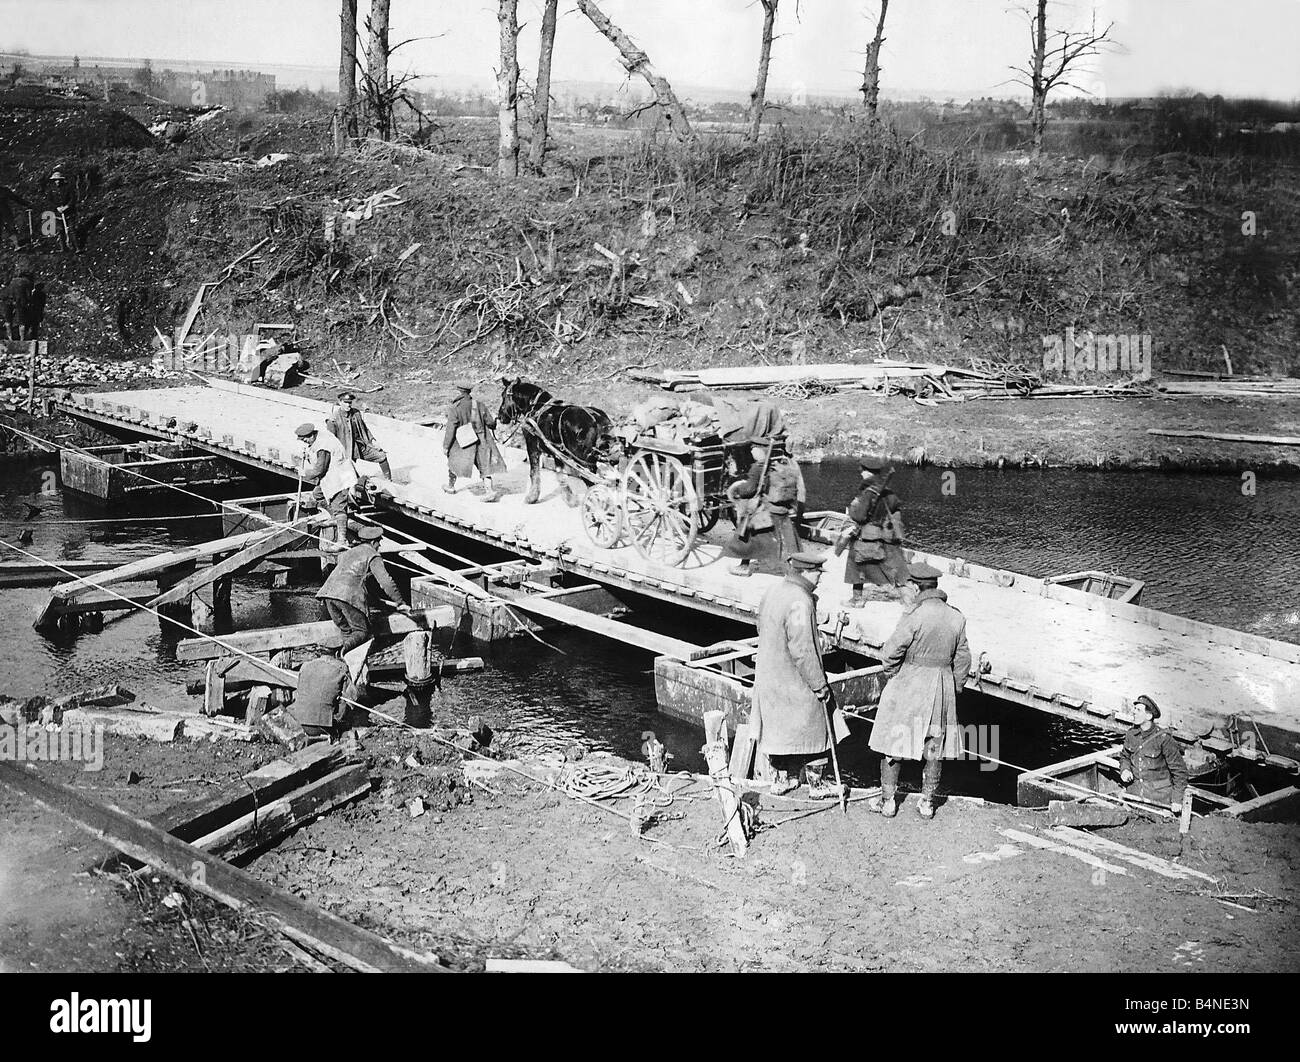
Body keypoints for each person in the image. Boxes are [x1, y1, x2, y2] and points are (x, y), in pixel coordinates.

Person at [868, 561, 972, 820]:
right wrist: (954, 687)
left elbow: (890, 653)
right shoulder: (956, 617)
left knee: (895, 741)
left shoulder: (913, 615)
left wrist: (895, 675)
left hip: (910, 683)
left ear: (916, 587)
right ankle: (927, 803)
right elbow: (963, 660)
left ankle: (888, 802)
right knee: (934, 747)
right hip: (942, 686)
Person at [752, 550, 842, 800]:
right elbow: (802, 649)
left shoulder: (774, 590)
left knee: (779, 728)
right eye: (816, 572)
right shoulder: (800, 601)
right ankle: (817, 784)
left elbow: (760, 625)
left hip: (770, 675)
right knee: (817, 723)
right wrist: (819, 685)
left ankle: (782, 779)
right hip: (793, 678)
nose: (820, 577)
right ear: (803, 572)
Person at [316, 524, 406, 654]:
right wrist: (400, 602)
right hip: (345, 596)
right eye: (379, 542)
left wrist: (379, 603)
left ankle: (342, 658)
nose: (379, 546)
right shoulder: (373, 555)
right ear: (374, 542)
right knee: (362, 632)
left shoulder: (349, 552)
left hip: (328, 595)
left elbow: (358, 583)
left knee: (347, 631)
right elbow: (386, 582)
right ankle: (340, 651)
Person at [835, 455, 907, 606]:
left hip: (866, 535)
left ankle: (857, 599)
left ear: (867, 472)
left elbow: (859, 516)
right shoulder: (888, 492)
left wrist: (853, 509)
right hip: (885, 536)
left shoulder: (868, 492)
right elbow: (896, 508)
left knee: (855, 565)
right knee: (894, 564)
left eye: (862, 471)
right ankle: (907, 597)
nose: (861, 474)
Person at [726, 439, 805, 577]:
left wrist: (737, 489)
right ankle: (796, 568)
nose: (751, 452)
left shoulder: (759, 466)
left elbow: (749, 490)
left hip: (765, 508)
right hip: (782, 508)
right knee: (790, 539)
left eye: (753, 449)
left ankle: (744, 566)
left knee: (746, 531)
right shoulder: (784, 462)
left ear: (760, 450)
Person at [1118, 695, 1189, 814]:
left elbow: (1180, 772)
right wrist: (1125, 770)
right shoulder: (1131, 734)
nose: (1133, 712)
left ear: (1149, 716)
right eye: (1134, 709)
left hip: (1159, 800)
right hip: (1134, 797)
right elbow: (1125, 757)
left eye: (1138, 710)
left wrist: (1177, 800)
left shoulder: (1164, 739)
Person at [295, 421, 357, 546]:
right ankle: (334, 517)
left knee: (339, 507)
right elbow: (316, 455)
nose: (305, 442)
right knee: (318, 494)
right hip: (331, 476)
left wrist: (305, 473)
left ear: (311, 435)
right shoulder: (319, 437)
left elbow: (320, 469)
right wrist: (307, 453)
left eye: (305, 440)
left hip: (339, 477)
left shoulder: (323, 446)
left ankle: (342, 540)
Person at [443, 380, 506, 501]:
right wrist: (494, 422)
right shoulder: (479, 405)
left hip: (463, 443)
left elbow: (450, 430)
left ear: (459, 391)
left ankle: (451, 487)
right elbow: (491, 423)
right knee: (484, 467)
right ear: (469, 391)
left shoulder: (454, 408)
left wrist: (446, 446)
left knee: (454, 461)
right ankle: (490, 491)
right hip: (480, 440)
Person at [326, 390, 392, 480]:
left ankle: (389, 481)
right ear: (340, 402)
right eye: (345, 402)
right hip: (346, 450)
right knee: (349, 476)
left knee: (381, 456)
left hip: (360, 446)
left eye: (350, 403)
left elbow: (364, 429)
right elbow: (331, 439)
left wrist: (373, 440)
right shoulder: (333, 419)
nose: (348, 405)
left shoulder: (356, 413)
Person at [290, 651, 356, 739]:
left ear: (318, 651)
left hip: (300, 723)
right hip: (324, 727)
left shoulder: (305, 666)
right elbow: (347, 702)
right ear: (337, 652)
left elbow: (299, 692)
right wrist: (338, 721)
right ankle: (338, 736)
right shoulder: (341, 668)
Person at [1, 259, 34, 340]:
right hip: (20, 301)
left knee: (8, 321)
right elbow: (28, 296)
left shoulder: (12, 280)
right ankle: (22, 339)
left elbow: (5, 292)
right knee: (21, 321)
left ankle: (10, 338)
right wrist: (29, 303)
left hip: (8, 301)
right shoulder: (27, 282)